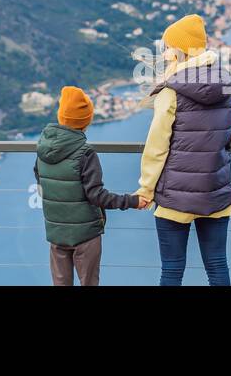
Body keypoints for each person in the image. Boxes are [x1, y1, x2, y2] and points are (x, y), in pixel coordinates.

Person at [136, 14, 231, 286]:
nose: (165, 52)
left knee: (171, 271)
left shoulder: (171, 91)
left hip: (175, 197)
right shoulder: (227, 84)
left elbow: (157, 146)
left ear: (181, 50)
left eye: (169, 46)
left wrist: (146, 189)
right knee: (217, 266)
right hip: (216, 190)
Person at [35, 86, 149, 286]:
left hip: (56, 232)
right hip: (85, 234)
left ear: (61, 116)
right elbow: (97, 196)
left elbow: (42, 183)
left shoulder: (42, 149)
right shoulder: (85, 153)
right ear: (86, 121)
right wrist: (132, 201)